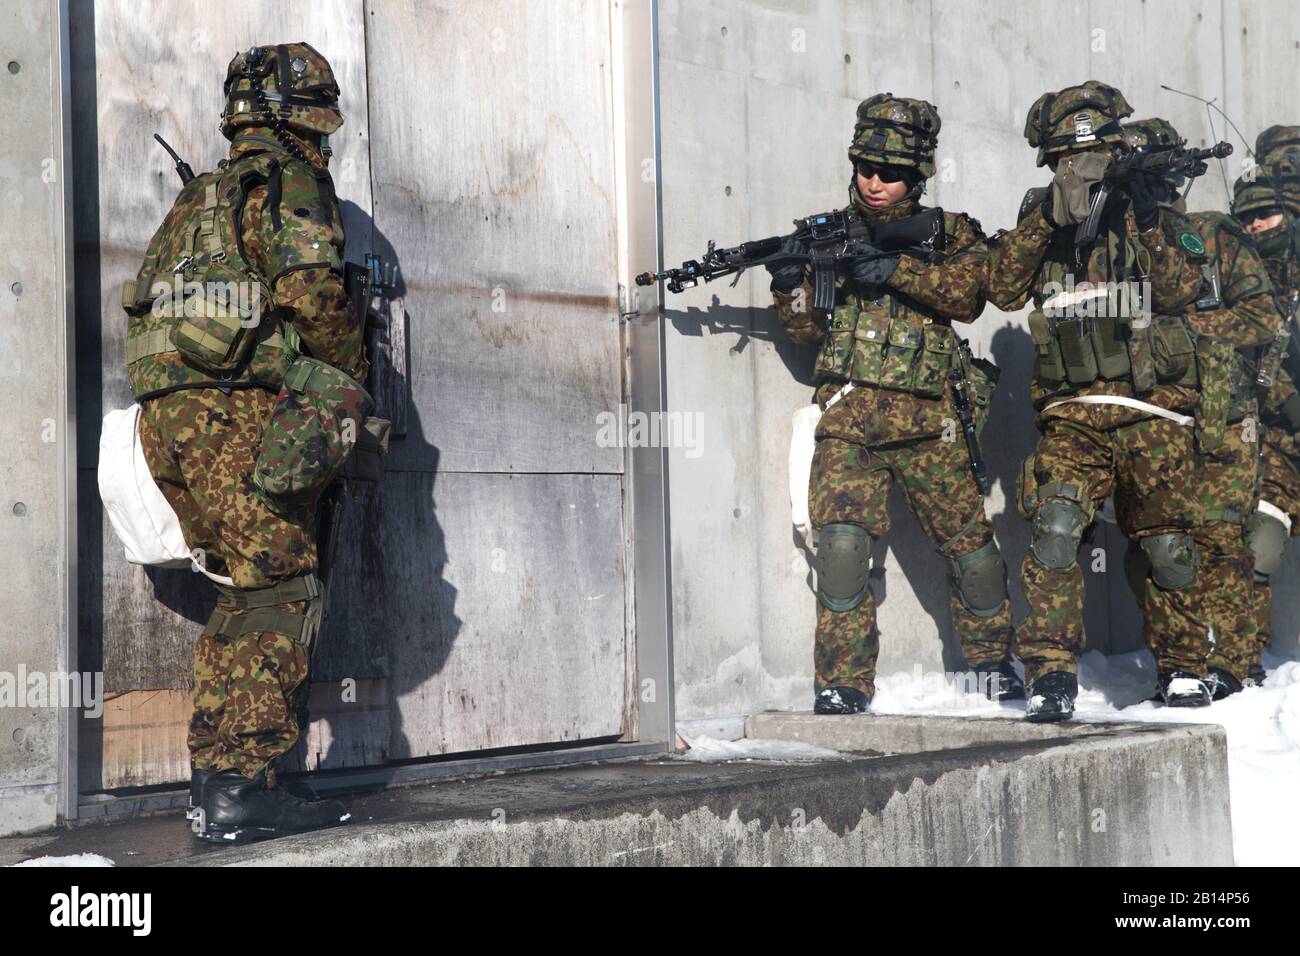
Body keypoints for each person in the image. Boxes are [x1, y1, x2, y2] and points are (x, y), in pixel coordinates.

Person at [121, 42, 368, 839]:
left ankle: (219, 782)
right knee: (282, 589)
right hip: (236, 415)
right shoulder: (290, 181)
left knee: (242, 591)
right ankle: (239, 790)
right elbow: (313, 296)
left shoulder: (197, 201)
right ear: (306, 120)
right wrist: (343, 387)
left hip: (168, 420)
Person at [769, 94, 1017, 715]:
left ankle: (994, 666)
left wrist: (894, 269)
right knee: (843, 554)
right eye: (866, 169)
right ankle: (844, 683)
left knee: (973, 553)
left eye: (892, 173)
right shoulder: (824, 236)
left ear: (918, 175)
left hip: (931, 421)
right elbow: (805, 332)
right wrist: (786, 283)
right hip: (850, 422)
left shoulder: (948, 233)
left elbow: (970, 296)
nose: (875, 183)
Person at [986, 82, 1209, 720]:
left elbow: (1180, 288)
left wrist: (1144, 210)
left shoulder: (1148, 209)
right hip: (1072, 414)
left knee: (1167, 544)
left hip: (1151, 409)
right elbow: (1001, 289)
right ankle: (1051, 675)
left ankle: (1185, 667)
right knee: (1055, 531)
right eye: (1070, 159)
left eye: (1097, 153)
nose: (1085, 168)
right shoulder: (1043, 216)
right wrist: (1049, 219)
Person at [1117, 118, 1283, 701]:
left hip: (1220, 416)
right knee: (1159, 550)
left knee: (1223, 546)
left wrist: (1185, 328)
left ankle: (1231, 667)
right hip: (1150, 419)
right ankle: (1177, 667)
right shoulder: (1119, 239)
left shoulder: (1213, 235)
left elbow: (1264, 318)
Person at [1231, 128, 1300, 684]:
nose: (1257, 227)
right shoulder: (1234, 280)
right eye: (1247, 217)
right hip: (1273, 438)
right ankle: (1244, 664)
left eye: (1267, 216)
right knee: (1260, 543)